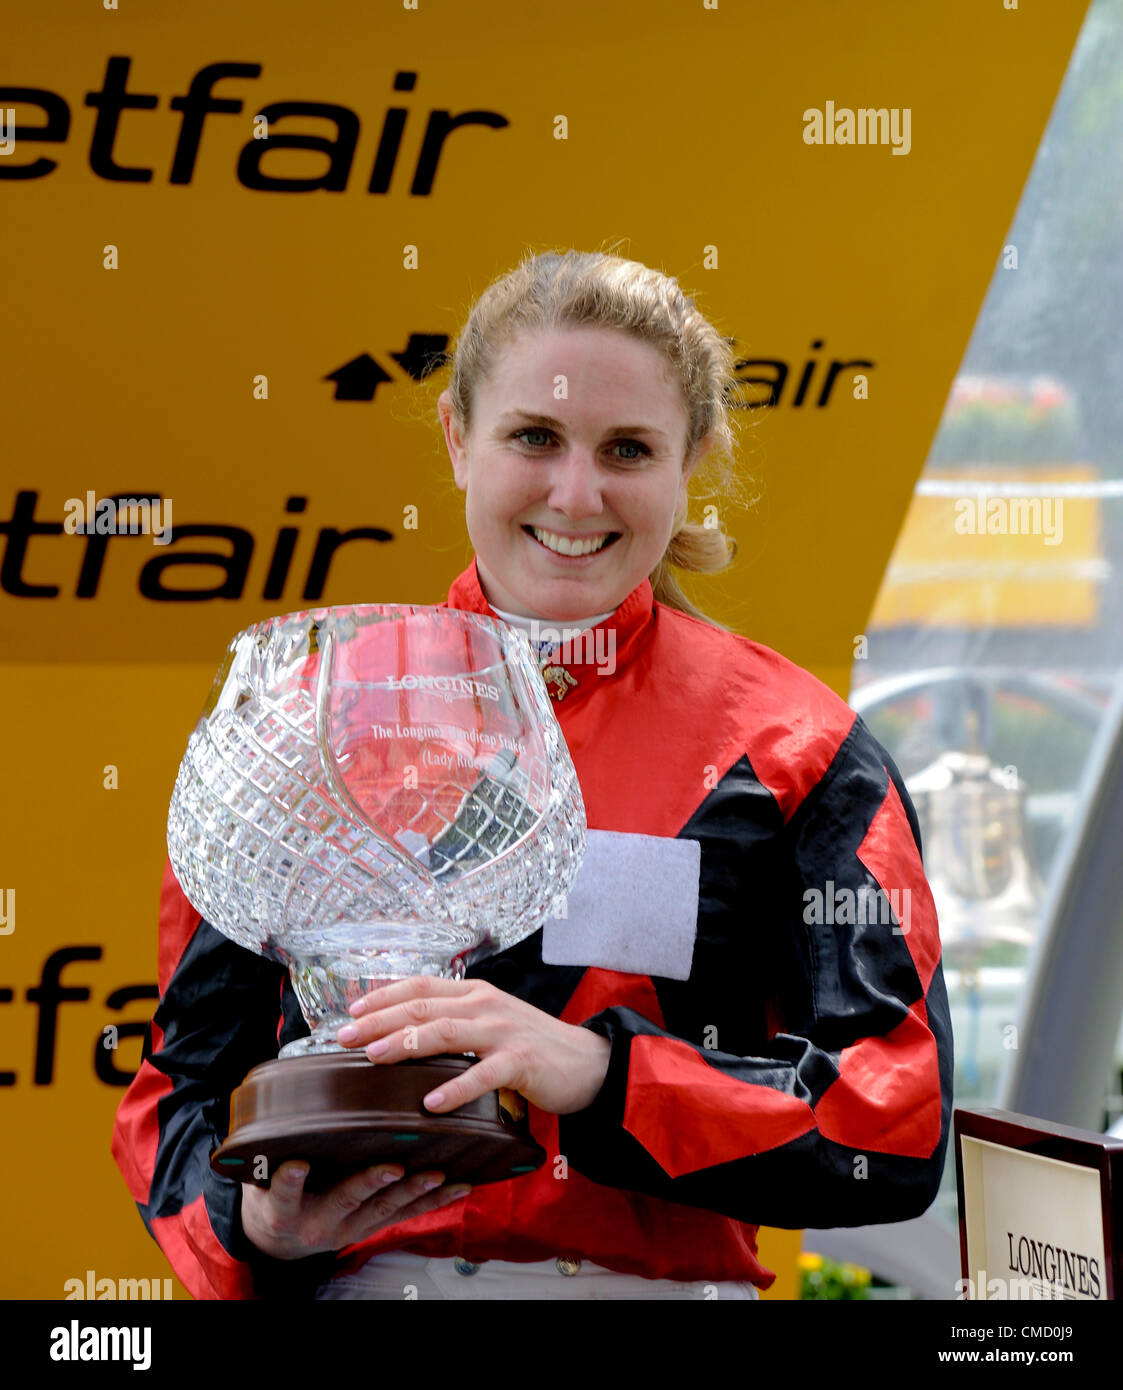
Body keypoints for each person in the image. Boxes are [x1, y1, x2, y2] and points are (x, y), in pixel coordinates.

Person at [112, 248, 953, 1300]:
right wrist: (254, 1224)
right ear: (458, 437)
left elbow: (893, 1122)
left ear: (690, 460)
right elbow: (175, 1097)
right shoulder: (298, 721)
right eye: (534, 437)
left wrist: (603, 1074)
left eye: (628, 449)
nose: (575, 491)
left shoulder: (799, 747)